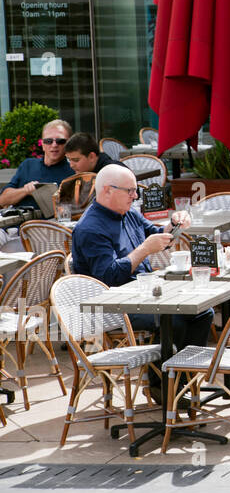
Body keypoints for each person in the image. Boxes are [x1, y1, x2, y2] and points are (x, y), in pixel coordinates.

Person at [70, 165, 207, 394]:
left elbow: (154, 233)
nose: (135, 196)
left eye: (136, 191)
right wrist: (144, 249)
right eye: (130, 191)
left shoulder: (128, 212)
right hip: (113, 304)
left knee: (202, 311)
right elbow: (109, 276)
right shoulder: (90, 228)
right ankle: (162, 386)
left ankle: (183, 381)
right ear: (107, 191)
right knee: (175, 320)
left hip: (143, 292)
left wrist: (174, 225)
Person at [0, 118, 74, 211]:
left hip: (51, 224)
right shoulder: (28, 165)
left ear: (69, 143)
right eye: (48, 141)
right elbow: (2, 200)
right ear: (42, 144)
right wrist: (25, 191)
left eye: (60, 141)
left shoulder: (73, 171)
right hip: (18, 223)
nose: (54, 145)